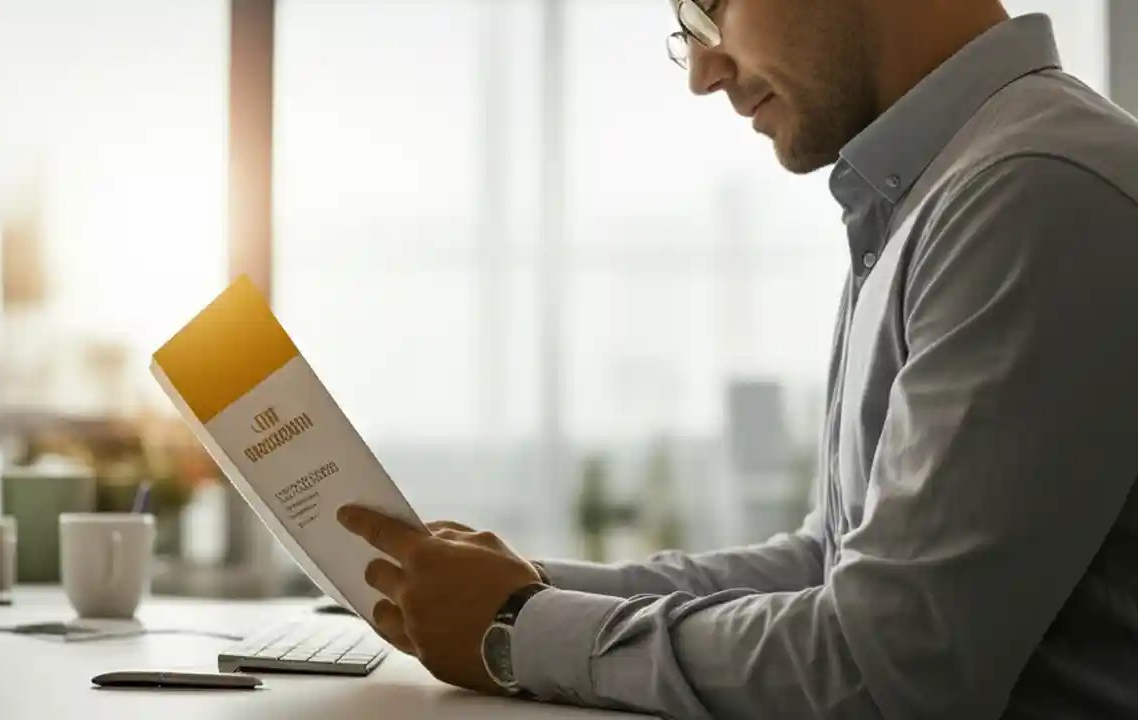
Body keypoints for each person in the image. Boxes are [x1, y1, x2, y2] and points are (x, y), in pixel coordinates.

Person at [338, 1, 1138, 717]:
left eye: (708, 7)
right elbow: (827, 564)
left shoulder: (1033, 191)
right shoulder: (936, 192)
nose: (701, 71)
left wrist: (516, 627)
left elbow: (889, 665)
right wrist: (517, 591)